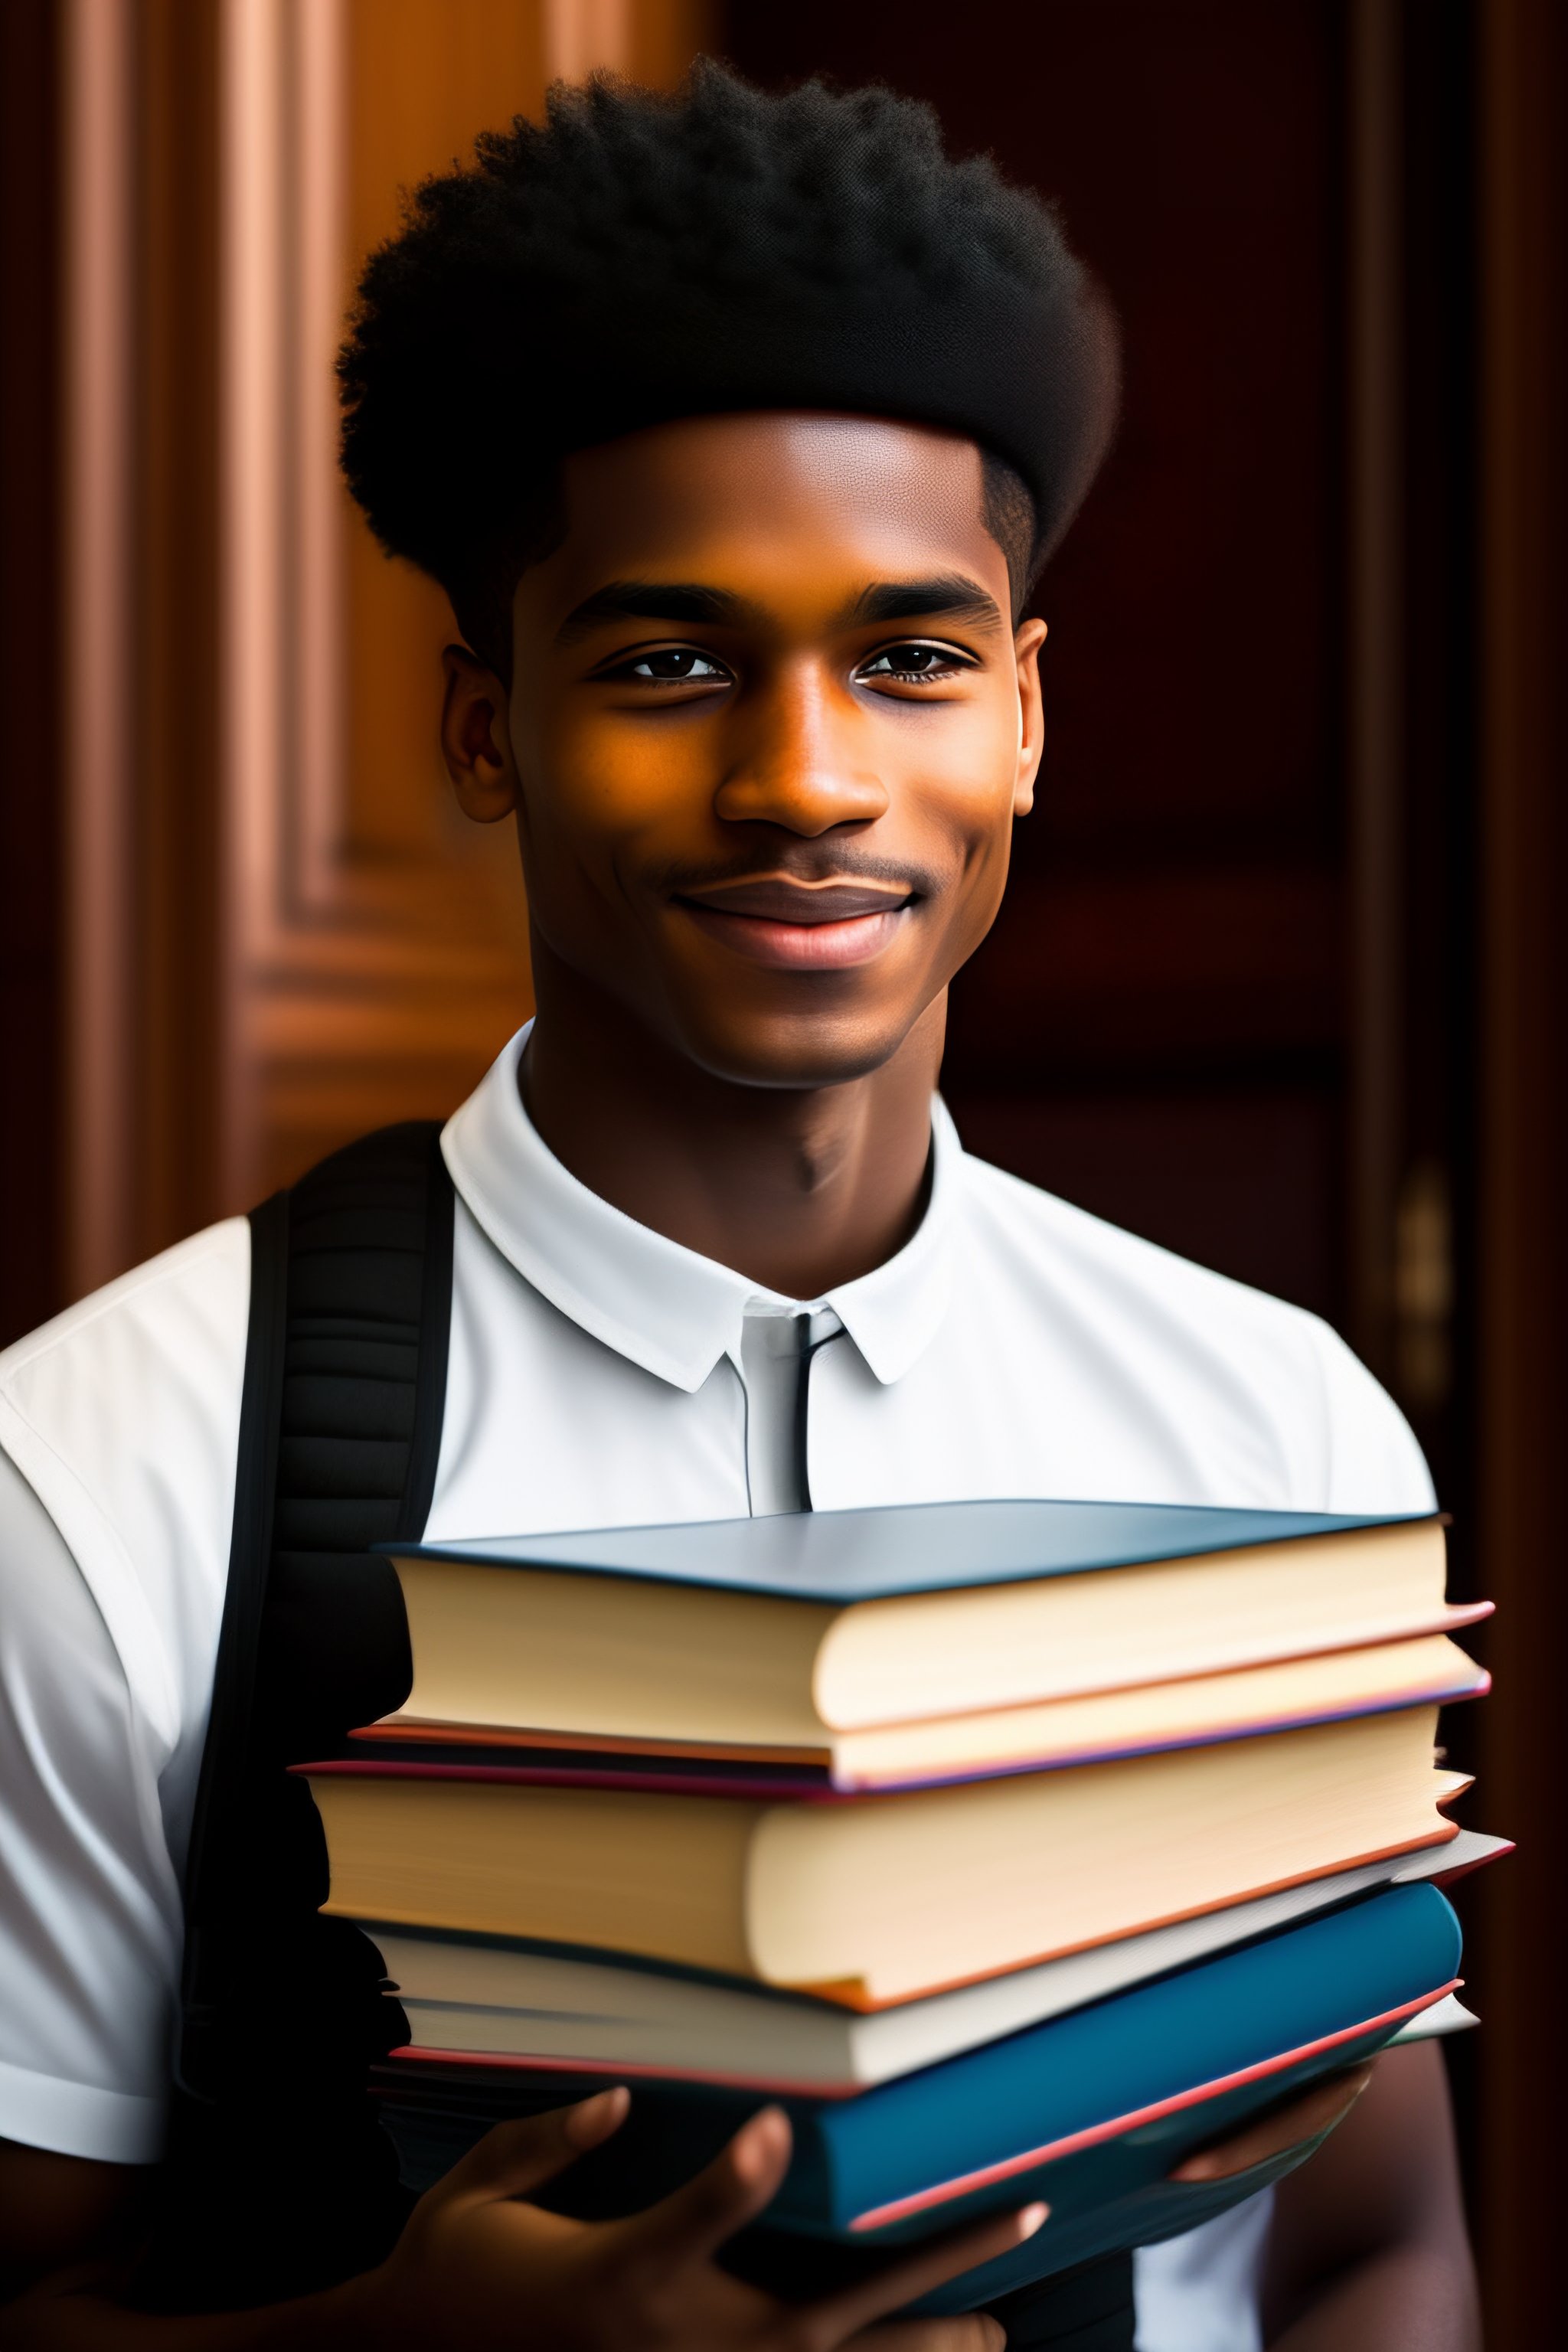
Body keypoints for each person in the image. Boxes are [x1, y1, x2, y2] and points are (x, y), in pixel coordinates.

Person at [0, 60, 1479, 2352]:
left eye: (910, 659)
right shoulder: (101, 1478)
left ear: (1026, 720)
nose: (804, 777)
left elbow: (1368, 2244)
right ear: (488, 734)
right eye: (670, 662)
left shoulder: (1273, 1439)